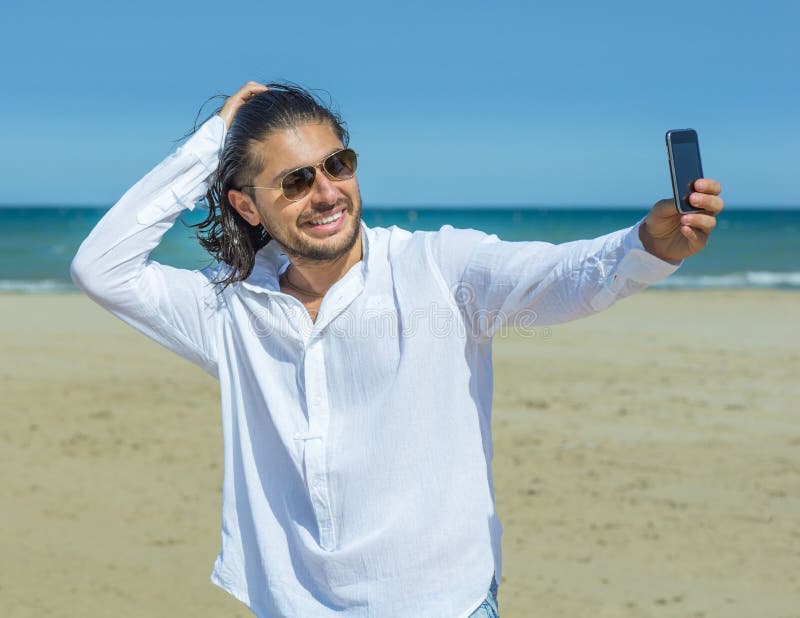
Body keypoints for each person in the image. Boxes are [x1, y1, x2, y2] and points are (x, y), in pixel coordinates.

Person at [70, 80, 724, 617]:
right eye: (294, 181)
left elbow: (566, 276)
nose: (326, 191)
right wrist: (213, 141)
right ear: (246, 205)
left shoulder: (440, 268)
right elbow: (102, 268)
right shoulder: (229, 312)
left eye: (337, 165)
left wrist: (647, 246)